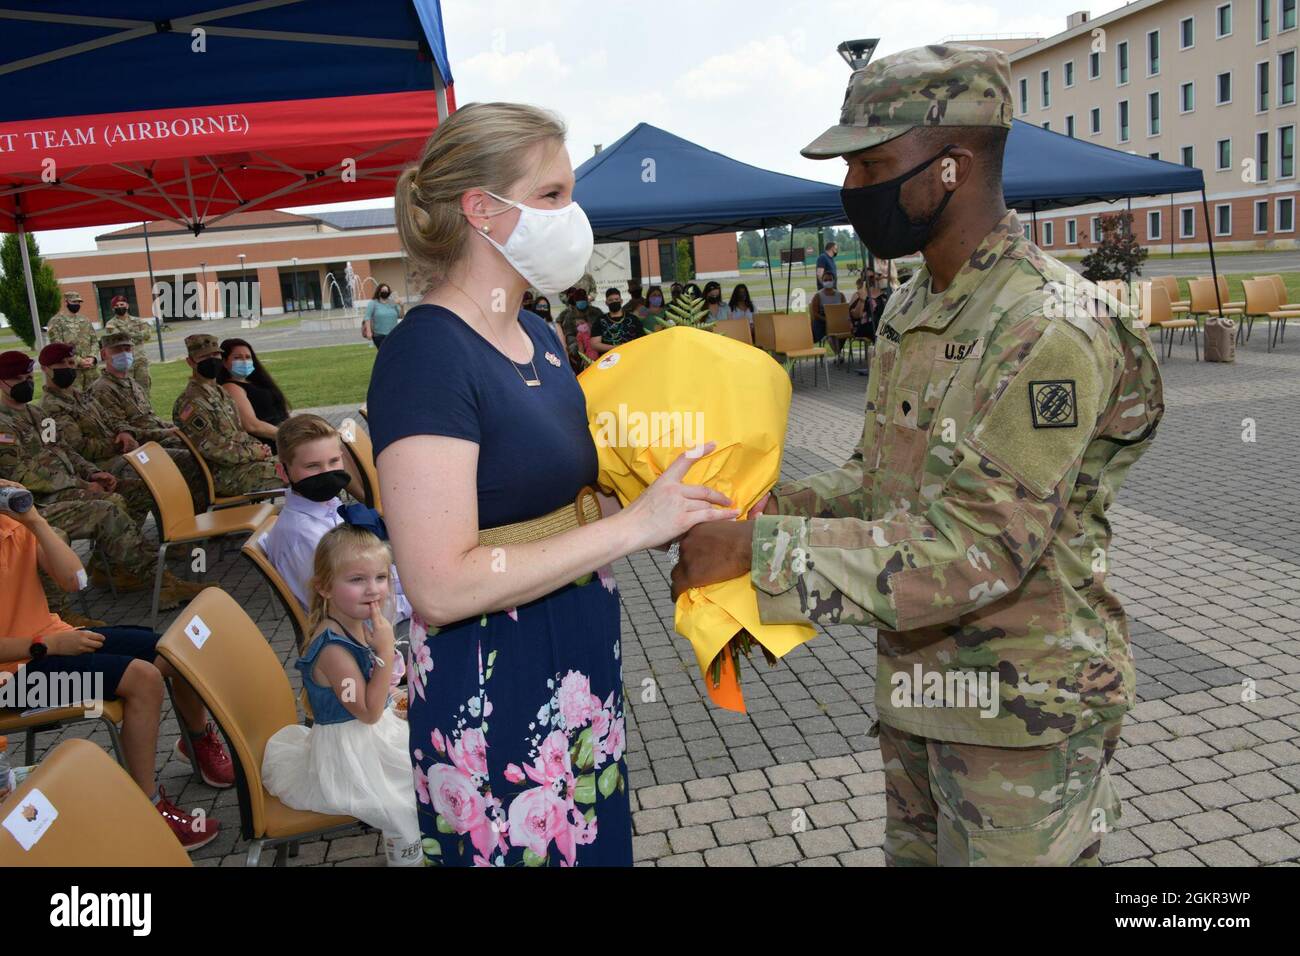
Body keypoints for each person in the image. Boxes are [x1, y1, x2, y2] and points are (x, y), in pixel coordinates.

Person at [670, 44, 1164, 867]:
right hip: (922, 699)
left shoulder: (1049, 326)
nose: (852, 189)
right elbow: (876, 480)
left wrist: (756, 556)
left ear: (952, 168)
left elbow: (978, 550)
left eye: (872, 163)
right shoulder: (916, 303)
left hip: (1023, 721)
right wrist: (758, 510)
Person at [371, 101, 738, 866]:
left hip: (575, 662)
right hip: (495, 679)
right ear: (482, 210)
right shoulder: (426, 356)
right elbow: (437, 585)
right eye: (551, 196)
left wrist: (671, 499)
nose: (572, 215)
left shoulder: (534, 332)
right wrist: (632, 527)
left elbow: (560, 500)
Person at [0, 479, 233, 851]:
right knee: (143, 678)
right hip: (10, 681)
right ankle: (147, 809)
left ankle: (196, 741)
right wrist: (44, 644)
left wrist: (35, 521)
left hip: (52, 643)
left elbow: (75, 581)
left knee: (175, 650)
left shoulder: (12, 523)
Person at [261, 522, 420, 865]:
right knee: (407, 797)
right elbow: (367, 712)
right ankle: (408, 858)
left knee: (432, 756)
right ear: (324, 588)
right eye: (357, 580)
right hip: (349, 756)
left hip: (367, 737)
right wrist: (387, 651)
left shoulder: (355, 623)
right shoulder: (334, 651)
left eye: (380, 577)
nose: (373, 589)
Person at [0, 351, 205, 609]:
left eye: (29, 377)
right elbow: (21, 475)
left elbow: (65, 450)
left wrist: (91, 473)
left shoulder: (37, 415)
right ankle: (162, 582)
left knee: (135, 492)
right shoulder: (3, 425)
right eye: (19, 379)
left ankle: (109, 566)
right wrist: (83, 485)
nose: (27, 383)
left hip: (66, 489)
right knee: (108, 508)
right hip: (35, 504)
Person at [265, 413, 410, 624]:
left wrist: (418, 582)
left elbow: (370, 580)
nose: (327, 473)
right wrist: (416, 600)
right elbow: (350, 611)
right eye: (312, 466)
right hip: (366, 634)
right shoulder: (303, 536)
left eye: (334, 461)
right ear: (284, 472)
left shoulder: (328, 507)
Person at [35, 342, 167, 524]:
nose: (68, 368)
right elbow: (79, 447)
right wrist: (118, 445)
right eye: (62, 364)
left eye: (71, 363)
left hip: (121, 454)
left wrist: (124, 432)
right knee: (149, 479)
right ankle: (132, 541)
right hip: (99, 463)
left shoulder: (81, 395)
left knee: (163, 463)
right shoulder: (51, 407)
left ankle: (151, 536)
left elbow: (109, 418)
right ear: (45, 368)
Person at [88, 332, 207, 507]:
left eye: (127, 348)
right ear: (104, 354)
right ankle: (192, 514)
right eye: (117, 350)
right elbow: (123, 431)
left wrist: (172, 429)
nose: (124, 353)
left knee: (202, 447)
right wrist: (168, 432)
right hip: (138, 448)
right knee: (190, 458)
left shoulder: (133, 383)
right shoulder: (102, 388)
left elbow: (149, 418)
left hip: (157, 439)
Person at [173, 334, 282, 498]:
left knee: (306, 462)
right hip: (224, 476)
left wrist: (259, 447)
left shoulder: (220, 392)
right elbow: (213, 448)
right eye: (204, 357)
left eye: (215, 355)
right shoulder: (191, 402)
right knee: (300, 472)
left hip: (244, 465)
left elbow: (237, 433)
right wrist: (254, 452)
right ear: (190, 362)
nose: (212, 360)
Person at [217, 338, 290, 452]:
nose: (244, 361)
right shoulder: (231, 387)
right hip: (270, 443)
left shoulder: (257, 381)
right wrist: (288, 436)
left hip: (283, 434)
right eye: (237, 358)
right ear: (224, 362)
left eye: (248, 357)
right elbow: (252, 425)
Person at [44, 291, 101, 390]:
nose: (77, 304)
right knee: (75, 399)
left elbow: (94, 341)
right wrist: (79, 361)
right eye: (74, 302)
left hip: (91, 370)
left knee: (95, 398)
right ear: (66, 302)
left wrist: (92, 357)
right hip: (73, 370)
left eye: (79, 302)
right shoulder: (56, 321)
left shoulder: (85, 320)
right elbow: (58, 347)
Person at [103, 295, 153, 395]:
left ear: (127, 305)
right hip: (124, 361)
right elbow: (117, 338)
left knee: (144, 388)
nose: (119, 306)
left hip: (140, 360)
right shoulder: (110, 324)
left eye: (122, 304)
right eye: (116, 305)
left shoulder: (138, 320)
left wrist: (125, 334)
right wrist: (137, 335)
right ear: (113, 308)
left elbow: (147, 335)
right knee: (126, 390)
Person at [362, 283, 405, 350]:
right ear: (378, 291)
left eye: (387, 291)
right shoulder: (373, 303)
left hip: (393, 334)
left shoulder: (393, 303)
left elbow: (401, 316)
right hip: (379, 335)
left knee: (393, 354)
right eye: (383, 290)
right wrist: (369, 331)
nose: (385, 292)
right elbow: (367, 317)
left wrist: (402, 306)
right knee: (385, 353)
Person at [809, 275, 847, 350]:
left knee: (844, 330)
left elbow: (844, 310)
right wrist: (827, 320)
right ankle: (837, 353)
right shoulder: (818, 296)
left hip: (838, 322)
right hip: (822, 323)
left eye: (830, 279)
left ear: (833, 281)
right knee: (830, 333)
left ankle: (838, 352)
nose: (828, 282)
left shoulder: (840, 295)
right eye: (826, 280)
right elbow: (815, 314)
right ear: (822, 282)